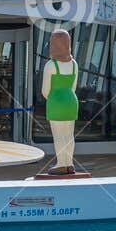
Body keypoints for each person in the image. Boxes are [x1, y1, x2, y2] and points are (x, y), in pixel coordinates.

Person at [40, 28, 81, 174]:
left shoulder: (51, 65)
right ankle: (69, 164)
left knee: (58, 135)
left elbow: (45, 90)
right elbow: (74, 86)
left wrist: (53, 98)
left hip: (56, 102)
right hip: (71, 101)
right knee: (69, 135)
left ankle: (61, 164)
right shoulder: (74, 64)